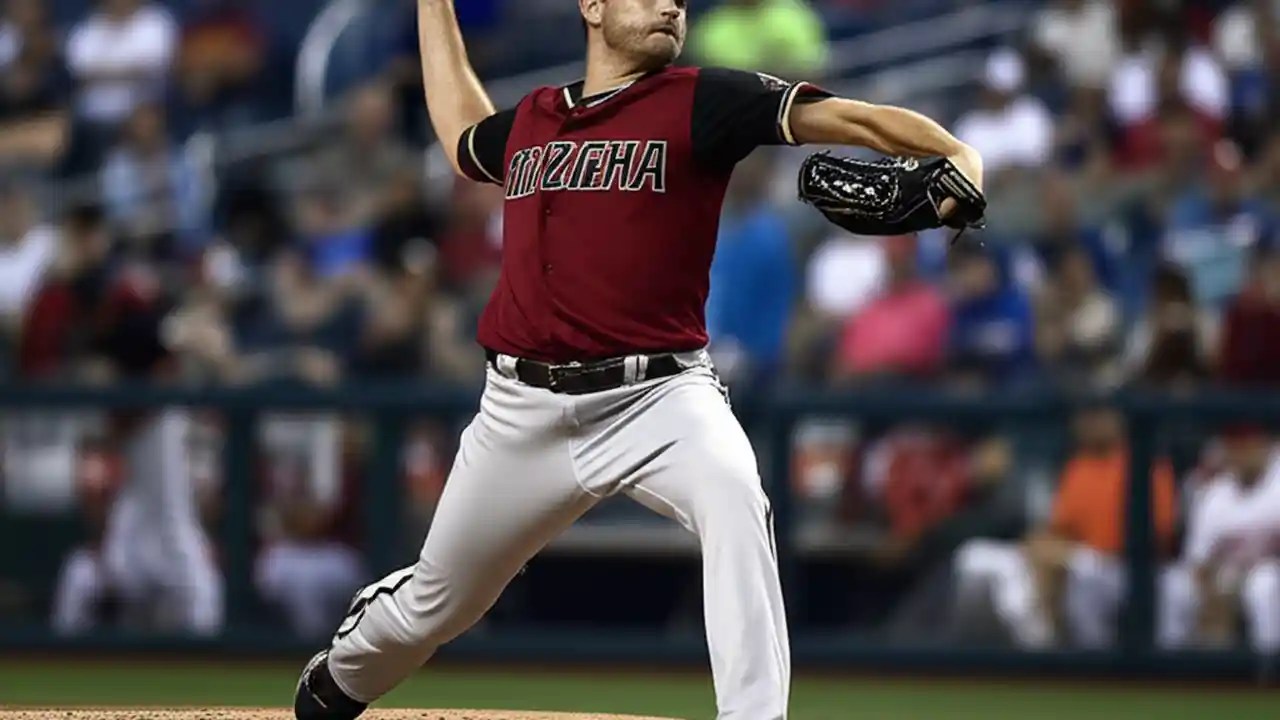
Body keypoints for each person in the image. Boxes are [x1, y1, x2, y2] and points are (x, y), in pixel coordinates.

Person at [293, 1, 983, 718]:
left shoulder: (703, 99)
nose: (669, 7)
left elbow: (854, 119)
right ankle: (336, 681)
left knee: (736, 501)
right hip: (520, 409)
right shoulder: (535, 117)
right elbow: (464, 133)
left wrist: (959, 154)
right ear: (591, 6)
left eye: (679, 1)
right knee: (432, 608)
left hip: (659, 397)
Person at [953, 405, 1177, 648]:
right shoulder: (1079, 467)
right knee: (984, 558)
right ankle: (1034, 648)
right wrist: (1043, 543)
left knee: (1070, 573)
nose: (1088, 425)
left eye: (1097, 416)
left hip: (1129, 565)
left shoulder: (1145, 463)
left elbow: (1159, 533)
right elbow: (1060, 527)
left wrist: (1066, 551)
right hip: (1085, 560)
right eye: (1085, 417)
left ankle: (1056, 652)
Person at [1159, 427, 1280, 655]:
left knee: (1264, 585)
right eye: (1235, 446)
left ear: (1266, 446)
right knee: (1175, 587)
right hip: (1226, 575)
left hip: (1270, 571)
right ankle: (1172, 672)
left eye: (1249, 445)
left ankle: (1270, 669)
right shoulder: (1215, 494)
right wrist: (1211, 592)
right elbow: (1197, 562)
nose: (1242, 453)